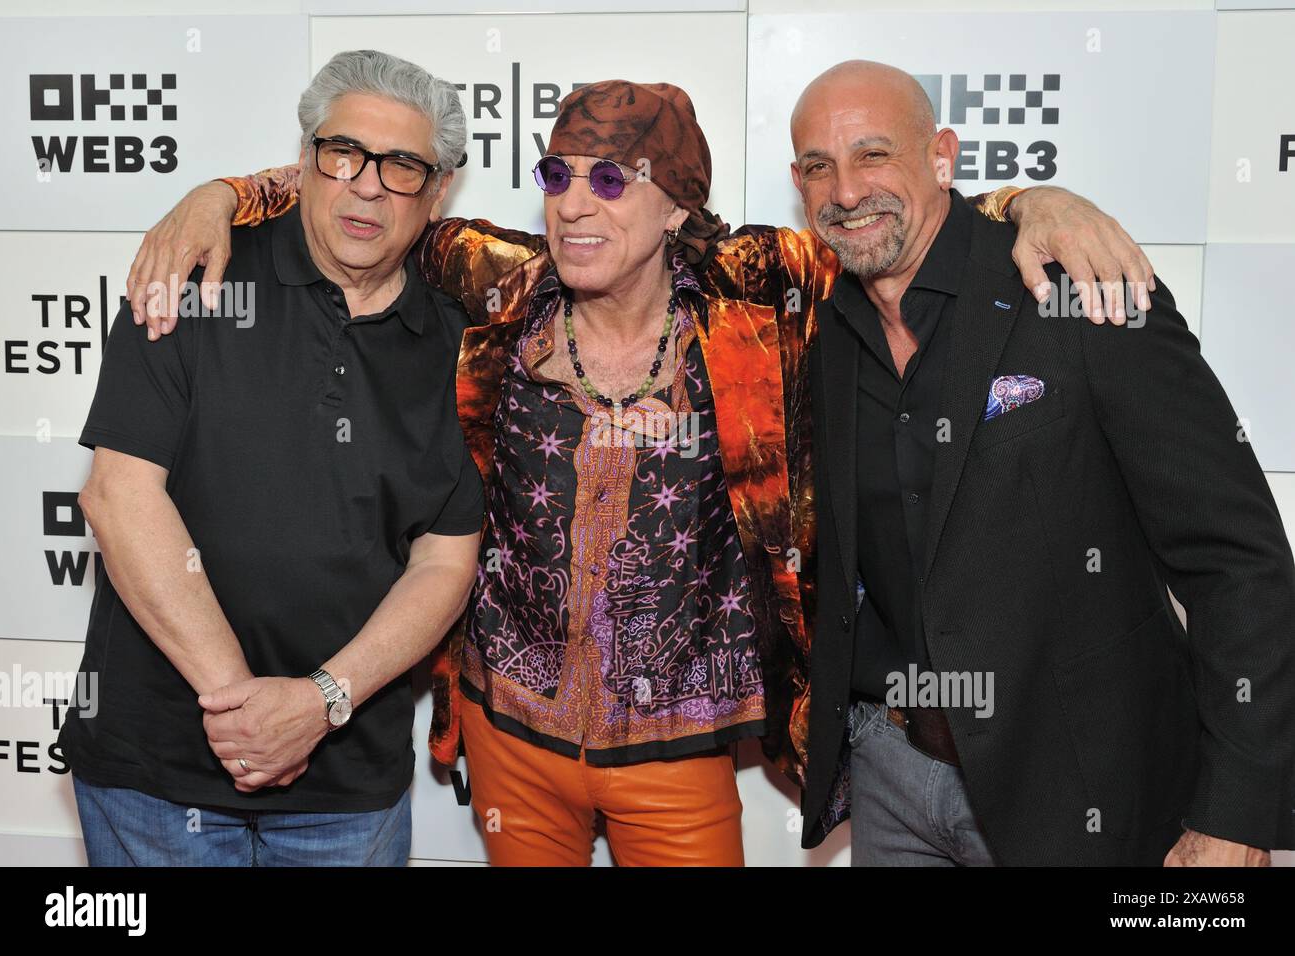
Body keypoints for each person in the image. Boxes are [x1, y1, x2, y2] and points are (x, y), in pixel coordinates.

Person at [124, 73, 1149, 865]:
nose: (574, 203)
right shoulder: (495, 274)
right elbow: (360, 195)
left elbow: (897, 218)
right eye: (558, 174)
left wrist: (1033, 200)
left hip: (680, 751)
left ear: (676, 208)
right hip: (509, 735)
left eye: (612, 179)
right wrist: (217, 196)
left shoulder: (761, 291)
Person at [796, 60, 1295, 865]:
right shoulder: (818, 333)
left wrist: (1236, 811)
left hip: (1078, 788)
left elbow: (1236, 560)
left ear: (942, 155)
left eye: (874, 155)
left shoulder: (1080, 287)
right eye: (820, 166)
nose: (847, 190)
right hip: (890, 777)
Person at [58, 50, 483, 866]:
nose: (366, 185)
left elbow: (443, 557)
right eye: (343, 153)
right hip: (153, 775)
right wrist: (245, 713)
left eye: (402, 167)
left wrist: (320, 704)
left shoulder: (460, 346)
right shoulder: (192, 277)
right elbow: (119, 498)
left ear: (437, 193)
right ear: (302, 162)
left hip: (348, 787)